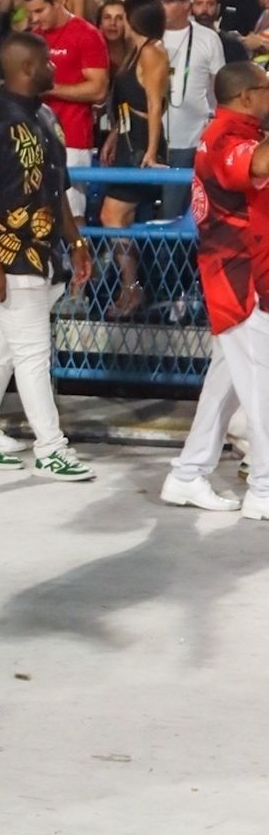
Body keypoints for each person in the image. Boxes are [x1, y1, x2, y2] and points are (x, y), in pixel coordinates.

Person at [0, 32, 94, 480]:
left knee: (3, 351)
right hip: (7, 262)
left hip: (41, 255)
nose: (54, 68)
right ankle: (51, 449)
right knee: (33, 354)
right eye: (48, 62)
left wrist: (76, 243)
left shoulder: (46, 117)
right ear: (28, 68)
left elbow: (57, 189)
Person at [161, 63, 269, 518]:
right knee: (262, 385)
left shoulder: (237, 131)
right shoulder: (225, 136)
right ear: (247, 96)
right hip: (240, 281)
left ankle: (187, 475)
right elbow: (257, 164)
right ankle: (264, 489)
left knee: (225, 387)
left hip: (244, 275)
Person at [99, 0, 170, 318]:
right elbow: (127, 100)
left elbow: (154, 104)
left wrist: (151, 152)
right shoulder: (134, 51)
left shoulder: (153, 51)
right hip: (128, 136)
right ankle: (130, 287)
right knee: (118, 219)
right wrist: (114, 135)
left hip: (141, 141)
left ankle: (132, 287)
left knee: (111, 216)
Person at [21, 0, 109, 218]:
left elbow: (98, 89)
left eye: (40, 11)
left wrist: (49, 89)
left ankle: (78, 245)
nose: (34, 18)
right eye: (30, 13)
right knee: (37, 213)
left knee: (71, 213)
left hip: (72, 137)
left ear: (57, 1)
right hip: (34, 138)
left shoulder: (87, 34)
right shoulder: (34, 37)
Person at [158, 0, 225, 167]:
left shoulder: (208, 38)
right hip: (152, 138)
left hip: (193, 138)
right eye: (160, 0)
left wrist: (215, 123)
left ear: (187, 4)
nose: (162, 6)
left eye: (169, 1)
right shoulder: (148, 35)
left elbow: (219, 88)